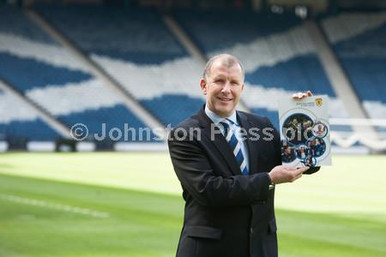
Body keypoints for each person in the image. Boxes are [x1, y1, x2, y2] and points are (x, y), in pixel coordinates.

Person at [168, 54, 314, 257]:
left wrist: (300, 115)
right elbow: (209, 191)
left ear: (242, 89)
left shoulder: (261, 125)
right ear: (204, 85)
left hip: (260, 248)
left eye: (234, 83)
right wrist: (268, 179)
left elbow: (302, 161)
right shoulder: (184, 134)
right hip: (210, 250)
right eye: (219, 81)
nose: (226, 89)